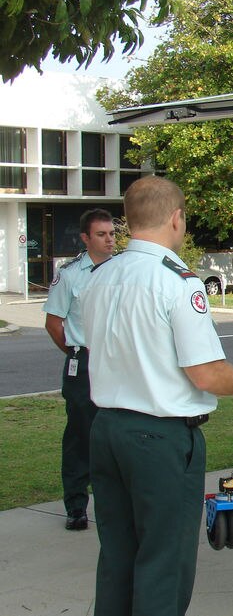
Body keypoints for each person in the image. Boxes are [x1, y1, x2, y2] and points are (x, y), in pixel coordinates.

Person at [81, 176, 233, 616]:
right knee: (164, 564)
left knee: (117, 556)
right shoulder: (178, 281)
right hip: (160, 440)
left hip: (107, 431)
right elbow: (206, 374)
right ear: (176, 219)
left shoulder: (100, 276)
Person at [43, 208, 115, 530]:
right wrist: (77, 351)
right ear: (86, 238)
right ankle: (76, 506)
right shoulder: (70, 274)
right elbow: (53, 323)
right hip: (84, 362)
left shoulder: (124, 269)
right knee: (80, 435)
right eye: (101, 234)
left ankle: (114, 504)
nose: (110, 240)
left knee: (115, 433)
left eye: (112, 233)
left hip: (117, 361)